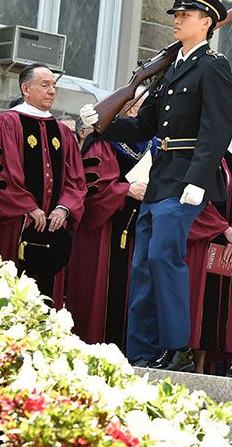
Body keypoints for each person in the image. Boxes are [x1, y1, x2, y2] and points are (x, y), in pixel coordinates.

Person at [80, 0, 232, 369]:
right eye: (176, 15)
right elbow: (143, 126)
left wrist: (198, 179)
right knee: (144, 263)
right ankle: (143, 352)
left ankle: (177, 347)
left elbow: (218, 128)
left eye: (185, 15)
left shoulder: (213, 66)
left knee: (166, 257)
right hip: (161, 176)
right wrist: (100, 126)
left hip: (185, 178)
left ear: (207, 22)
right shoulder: (173, 70)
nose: (177, 20)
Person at [0, 64, 86, 301]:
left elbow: (77, 179)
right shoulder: (7, 123)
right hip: (15, 226)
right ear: (25, 89)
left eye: (54, 86)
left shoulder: (62, 132)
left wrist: (64, 208)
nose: (52, 91)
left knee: (44, 296)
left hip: (52, 229)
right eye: (45, 85)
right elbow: (0, 174)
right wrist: (28, 207)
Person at [184, 154, 232, 374]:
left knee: (214, 308)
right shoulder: (193, 153)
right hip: (199, 245)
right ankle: (189, 361)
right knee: (196, 303)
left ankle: (206, 366)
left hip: (226, 247)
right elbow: (192, 198)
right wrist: (223, 228)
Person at [65, 132, 129, 344]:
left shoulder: (152, 145)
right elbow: (93, 189)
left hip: (135, 230)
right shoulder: (102, 143)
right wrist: (126, 191)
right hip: (105, 231)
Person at [103, 95, 155, 350]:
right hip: (110, 226)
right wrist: (125, 190)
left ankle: (133, 347)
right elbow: (92, 182)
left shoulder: (156, 144)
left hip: (144, 227)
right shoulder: (107, 138)